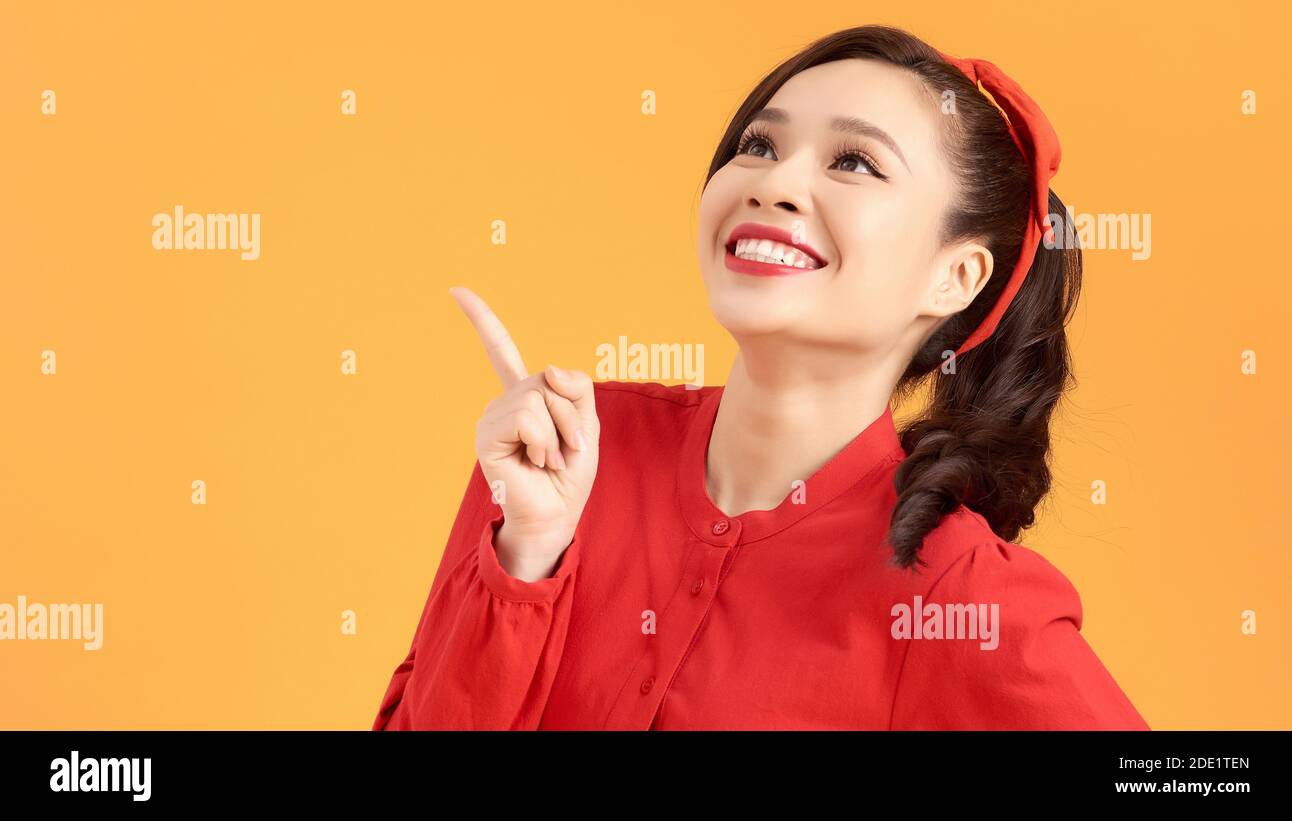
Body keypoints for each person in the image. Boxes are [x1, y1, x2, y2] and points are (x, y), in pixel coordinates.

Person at [371, 24, 1149, 730]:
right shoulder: (564, 447)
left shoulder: (955, 587)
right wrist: (526, 556)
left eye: (855, 162)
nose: (770, 184)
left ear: (955, 277)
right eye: (759, 146)